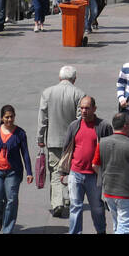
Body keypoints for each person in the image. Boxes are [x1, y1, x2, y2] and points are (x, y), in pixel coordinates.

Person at [60, 96, 112, 235]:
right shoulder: (74, 126)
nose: (83, 111)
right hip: (75, 173)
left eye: (87, 108)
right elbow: (67, 148)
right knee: (75, 207)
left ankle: (101, 231)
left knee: (96, 207)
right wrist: (63, 172)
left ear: (94, 109)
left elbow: (110, 150)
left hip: (94, 176)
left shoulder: (104, 126)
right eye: (81, 108)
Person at [93, 113, 129, 233]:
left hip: (108, 191)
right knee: (124, 225)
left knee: (117, 222)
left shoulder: (102, 143)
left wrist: (105, 175)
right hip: (126, 192)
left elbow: (95, 165)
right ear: (125, 126)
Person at [38, 66, 81, 218]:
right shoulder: (79, 94)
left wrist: (40, 138)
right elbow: (79, 120)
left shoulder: (47, 93)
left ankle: (57, 203)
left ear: (59, 77)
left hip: (53, 140)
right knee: (70, 169)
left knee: (55, 171)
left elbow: (43, 118)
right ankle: (68, 197)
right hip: (72, 142)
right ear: (74, 79)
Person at [0, 105, 33, 233]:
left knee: (11, 199)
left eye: (11, 117)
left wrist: (29, 172)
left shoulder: (20, 133)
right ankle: (2, 216)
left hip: (13, 172)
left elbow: (25, 153)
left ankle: (7, 229)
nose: (9, 119)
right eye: (7, 117)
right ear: (2, 118)